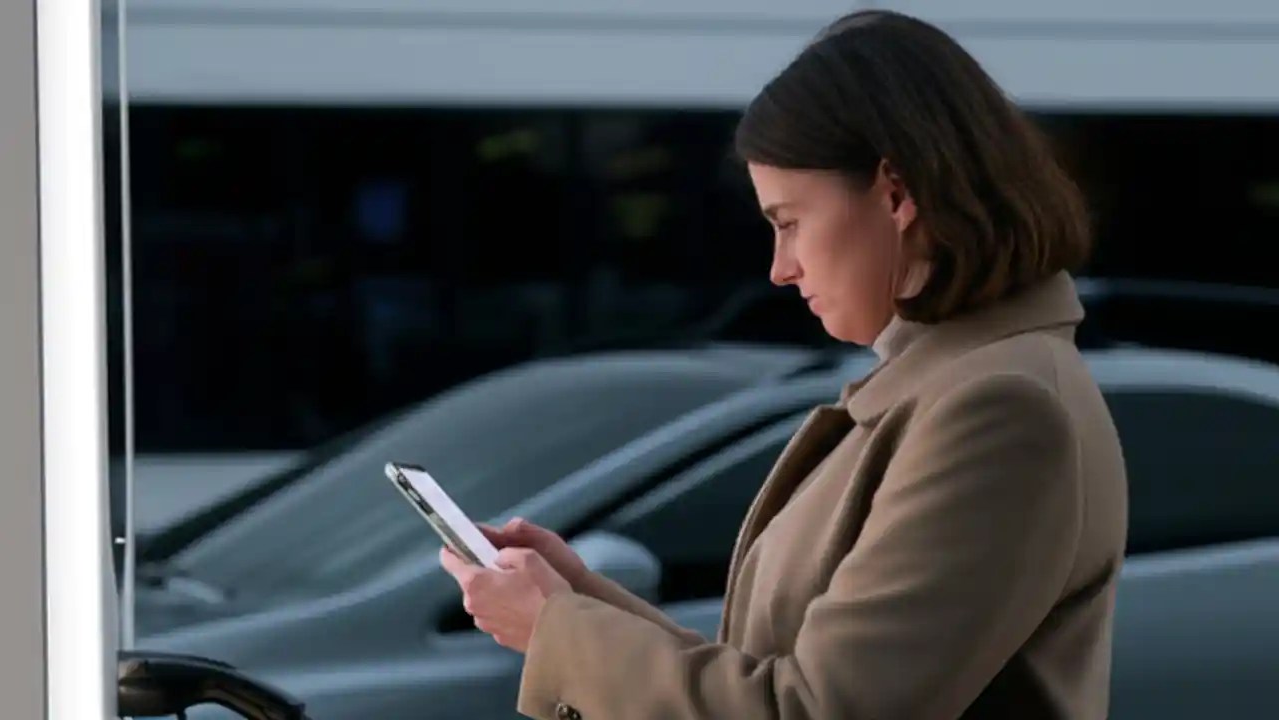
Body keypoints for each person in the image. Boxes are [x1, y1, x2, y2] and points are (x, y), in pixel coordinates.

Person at [439, 9, 1128, 719]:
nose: (780, 268)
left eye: (789, 221)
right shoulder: (960, 386)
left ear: (896, 193)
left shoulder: (999, 407)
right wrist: (574, 599)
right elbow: (775, 680)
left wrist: (560, 633)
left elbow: (817, 710)